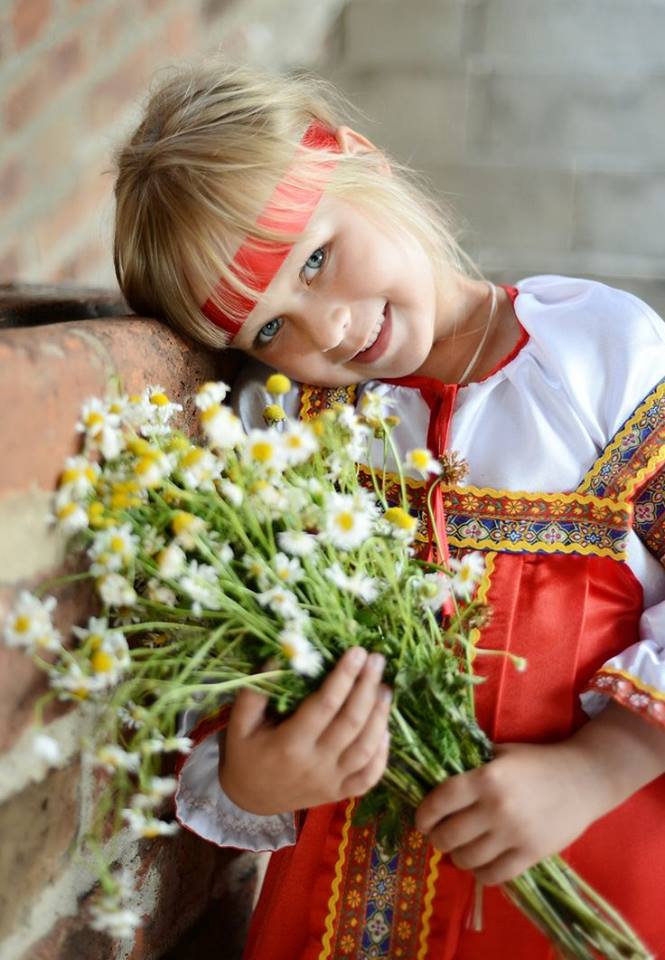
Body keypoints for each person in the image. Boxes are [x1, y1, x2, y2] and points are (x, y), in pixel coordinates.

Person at [111, 58, 665, 959]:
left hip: (596, 884)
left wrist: (598, 768)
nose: (322, 330)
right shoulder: (280, 440)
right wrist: (253, 775)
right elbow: (227, 661)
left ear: (359, 159)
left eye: (316, 259)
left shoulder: (599, 360)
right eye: (265, 330)